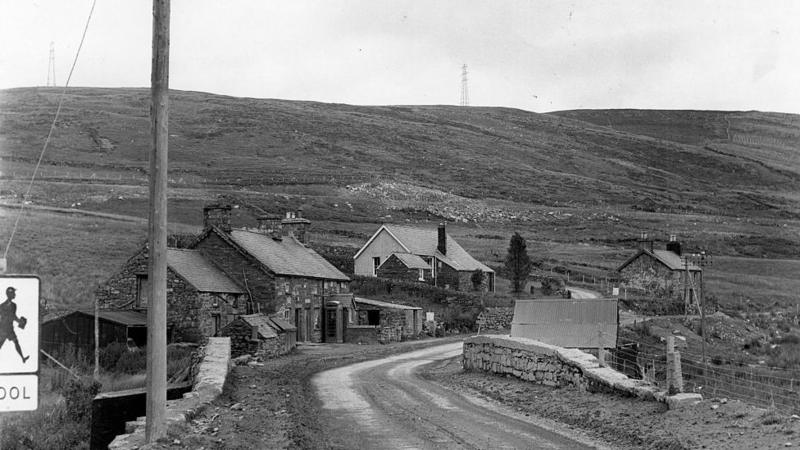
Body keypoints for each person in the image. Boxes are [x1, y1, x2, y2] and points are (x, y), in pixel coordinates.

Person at [0, 286, 29, 363]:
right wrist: (19, 321)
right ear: (9, 294)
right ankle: (23, 358)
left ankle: (22, 358)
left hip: (9, 328)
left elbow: (13, 316)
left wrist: (19, 321)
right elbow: (11, 316)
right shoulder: (2, 306)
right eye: (13, 293)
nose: (15, 294)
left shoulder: (13, 305)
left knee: (16, 342)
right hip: (3, 329)